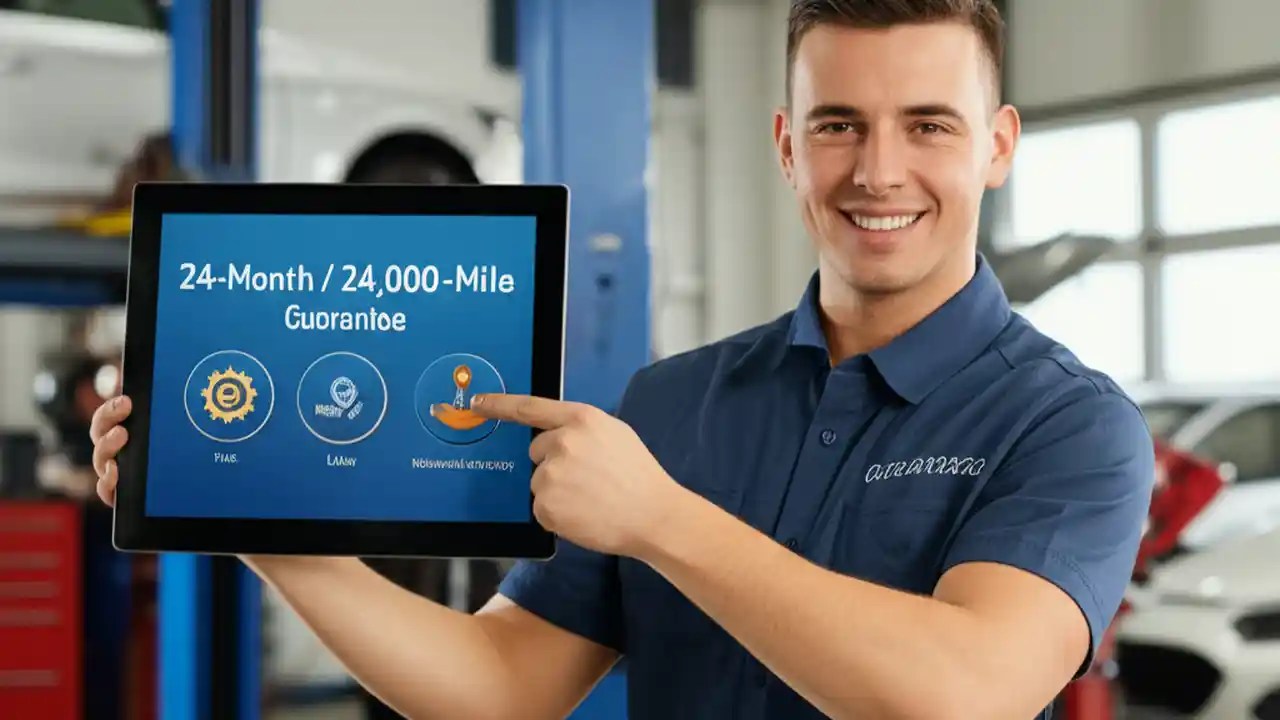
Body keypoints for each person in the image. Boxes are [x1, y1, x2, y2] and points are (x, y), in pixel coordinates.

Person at [90, 1, 1155, 717]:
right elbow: (498, 686)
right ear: (786, 145)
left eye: (927, 126)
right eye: (838, 125)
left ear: (998, 144)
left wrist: (661, 519)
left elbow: (961, 695)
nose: (877, 171)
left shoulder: (1067, 427)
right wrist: (241, 513)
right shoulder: (673, 403)